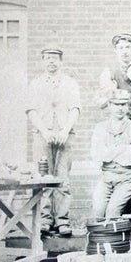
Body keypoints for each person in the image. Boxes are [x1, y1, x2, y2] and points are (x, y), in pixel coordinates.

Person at [26, 46, 81, 236]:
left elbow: (75, 109)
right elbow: (31, 111)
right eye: (48, 58)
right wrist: (45, 131)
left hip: (65, 135)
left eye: (55, 58)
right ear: (42, 61)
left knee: (63, 178)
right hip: (42, 136)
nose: (51, 61)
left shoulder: (70, 83)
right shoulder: (35, 84)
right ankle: (44, 219)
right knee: (44, 177)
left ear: (61, 61)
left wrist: (65, 130)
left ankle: (62, 220)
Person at [89, 90, 131, 220]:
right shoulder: (100, 127)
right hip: (106, 177)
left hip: (127, 178)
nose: (120, 108)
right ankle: (99, 241)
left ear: (127, 106)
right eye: (116, 104)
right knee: (97, 212)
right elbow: (96, 154)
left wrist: (110, 151)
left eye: (123, 104)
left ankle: (118, 240)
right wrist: (124, 148)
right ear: (109, 105)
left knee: (112, 211)